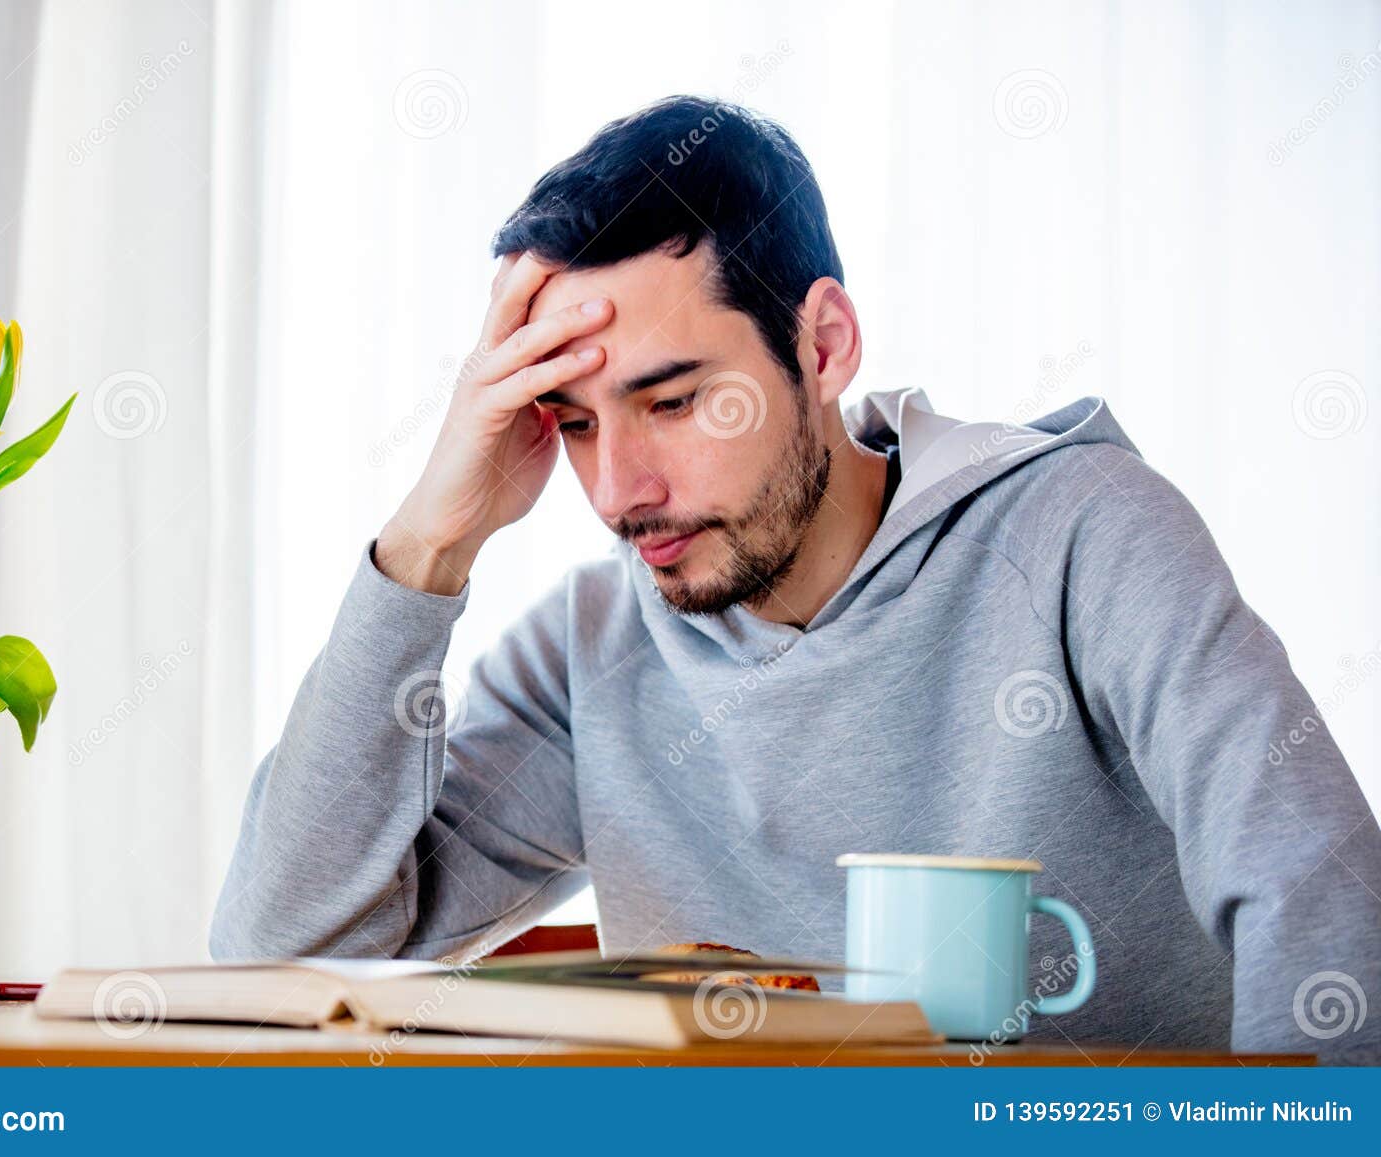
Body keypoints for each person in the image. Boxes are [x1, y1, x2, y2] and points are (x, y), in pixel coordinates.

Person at [212, 96, 1381, 1061]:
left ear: (821, 345)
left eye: (674, 402)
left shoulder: (1080, 536)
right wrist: (428, 545)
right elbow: (282, 955)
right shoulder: (589, 651)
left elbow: (1322, 906)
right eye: (569, 422)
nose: (620, 490)